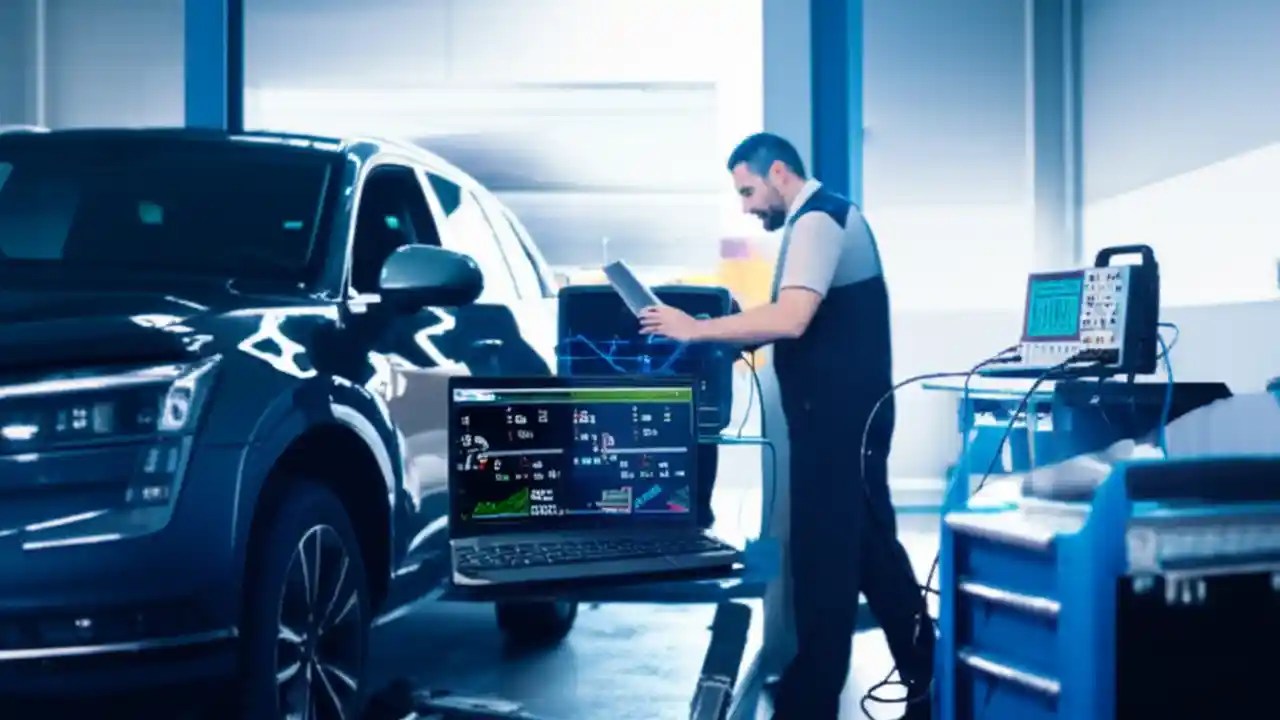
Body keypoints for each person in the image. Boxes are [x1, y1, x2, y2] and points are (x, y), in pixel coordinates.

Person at [640, 132, 934, 719]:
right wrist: (728, 341)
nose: (747, 207)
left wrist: (695, 329)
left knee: (825, 557)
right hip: (841, 421)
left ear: (778, 172)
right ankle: (932, 686)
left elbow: (793, 317)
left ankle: (812, 698)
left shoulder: (820, 220)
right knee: (872, 556)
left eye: (748, 191)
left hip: (840, 425)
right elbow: (796, 320)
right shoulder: (819, 220)